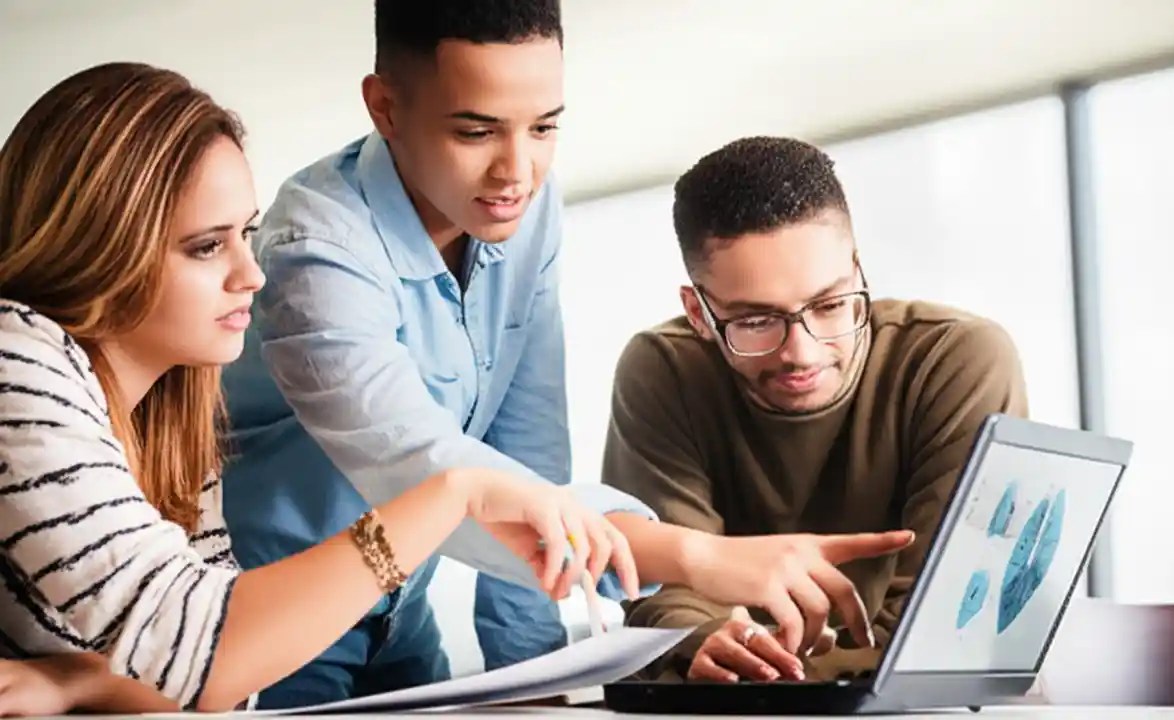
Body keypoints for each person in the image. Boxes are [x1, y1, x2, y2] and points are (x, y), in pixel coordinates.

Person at [0, 63, 911, 716]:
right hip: (291, 625)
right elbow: (216, 644)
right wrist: (464, 492)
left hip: (343, 628)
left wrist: (85, 683)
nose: (250, 272)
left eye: (243, 232)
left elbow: (197, 683)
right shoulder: (19, 361)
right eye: (208, 247)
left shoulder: (170, 408)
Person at [605, 136, 1029, 683]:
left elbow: (943, 621)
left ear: (857, 270)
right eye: (756, 322)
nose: (801, 352)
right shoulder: (662, 370)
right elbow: (663, 592)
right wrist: (704, 641)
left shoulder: (957, 360)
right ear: (697, 312)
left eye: (830, 305)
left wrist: (774, 673)